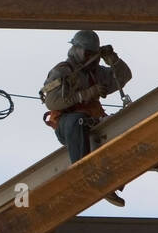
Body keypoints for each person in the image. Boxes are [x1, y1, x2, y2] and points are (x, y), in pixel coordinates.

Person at [40, 30, 132, 206]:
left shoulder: (95, 72)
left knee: (120, 126)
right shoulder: (62, 72)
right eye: (88, 53)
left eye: (93, 54)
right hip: (68, 125)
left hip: (92, 122)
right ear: (77, 50)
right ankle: (83, 175)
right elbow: (52, 102)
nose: (92, 58)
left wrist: (113, 59)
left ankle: (109, 183)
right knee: (78, 120)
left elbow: (123, 76)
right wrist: (86, 94)